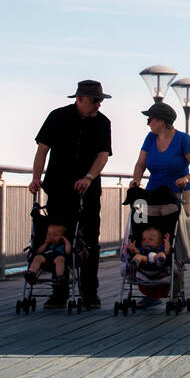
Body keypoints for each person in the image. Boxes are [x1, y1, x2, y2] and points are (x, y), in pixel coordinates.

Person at [31, 79, 112, 309]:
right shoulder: (57, 116)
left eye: (101, 100)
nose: (99, 105)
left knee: (89, 241)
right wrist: (36, 177)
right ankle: (59, 292)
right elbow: (42, 150)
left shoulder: (103, 123)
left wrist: (89, 177)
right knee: (57, 238)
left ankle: (89, 293)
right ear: (80, 99)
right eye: (96, 100)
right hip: (58, 188)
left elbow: (103, 155)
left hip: (88, 191)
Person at [130, 100, 190, 266]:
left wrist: (186, 179)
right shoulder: (150, 138)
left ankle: (176, 284)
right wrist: (136, 180)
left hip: (179, 194)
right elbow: (140, 164)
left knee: (177, 238)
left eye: (150, 119)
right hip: (153, 194)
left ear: (161, 121)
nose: (148, 123)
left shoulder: (183, 140)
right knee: (141, 222)